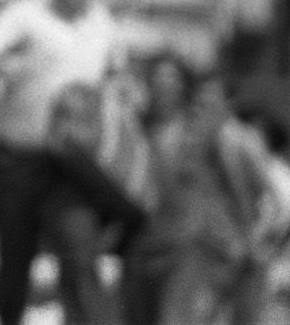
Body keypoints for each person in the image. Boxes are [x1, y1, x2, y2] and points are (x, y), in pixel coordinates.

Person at [0, 0, 129, 325]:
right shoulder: (24, 16)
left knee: (80, 256)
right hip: (20, 160)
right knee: (15, 262)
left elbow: (118, 82)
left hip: (73, 166)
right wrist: (8, 64)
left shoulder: (104, 25)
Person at [121, 53, 283, 324]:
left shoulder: (232, 139)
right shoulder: (164, 130)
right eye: (200, 100)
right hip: (164, 245)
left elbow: (271, 200)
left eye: (211, 100)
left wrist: (253, 240)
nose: (203, 106)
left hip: (209, 250)